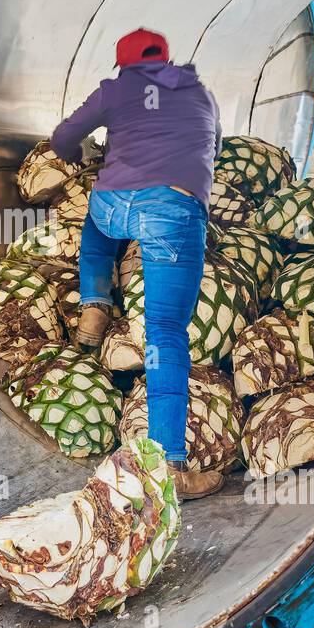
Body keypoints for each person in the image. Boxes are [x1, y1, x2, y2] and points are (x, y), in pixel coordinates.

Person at [50, 28, 222, 500]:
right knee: (165, 331)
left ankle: (95, 304)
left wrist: (80, 154)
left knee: (97, 230)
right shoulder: (200, 93)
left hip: (115, 206)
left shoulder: (115, 89)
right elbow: (214, 149)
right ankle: (170, 465)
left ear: (124, 63)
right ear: (168, 60)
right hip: (172, 215)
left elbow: (63, 136)